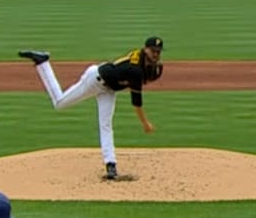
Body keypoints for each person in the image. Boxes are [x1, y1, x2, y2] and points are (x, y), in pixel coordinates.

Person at [17, 37, 164, 181]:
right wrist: (145, 123)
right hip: (95, 80)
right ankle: (43, 63)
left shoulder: (140, 62)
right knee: (59, 103)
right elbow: (136, 103)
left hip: (109, 89)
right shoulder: (135, 70)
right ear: (145, 50)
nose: (156, 54)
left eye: (158, 51)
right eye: (153, 51)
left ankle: (110, 165)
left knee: (105, 125)